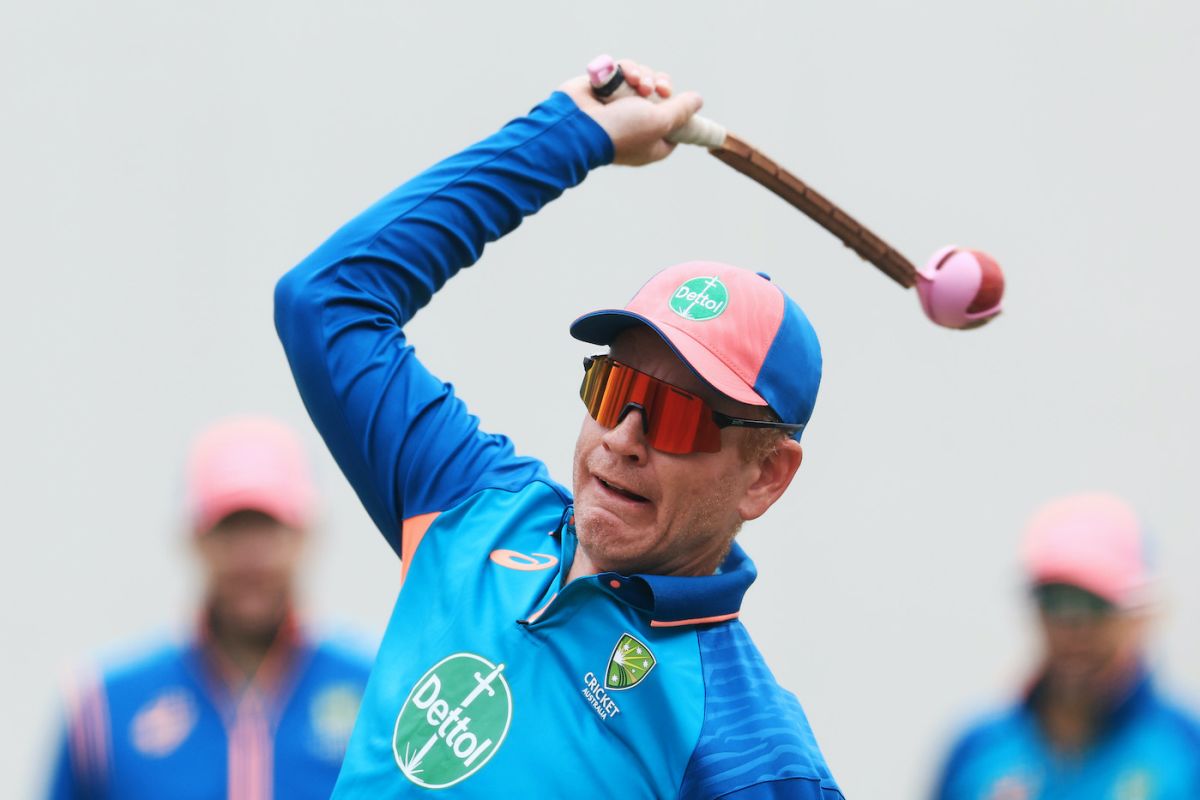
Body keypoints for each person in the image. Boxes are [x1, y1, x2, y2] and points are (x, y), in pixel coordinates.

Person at [274, 58, 843, 799]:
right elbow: (325, 300)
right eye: (615, 389)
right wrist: (575, 133)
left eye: (675, 415)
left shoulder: (753, 757)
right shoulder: (477, 504)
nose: (623, 438)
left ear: (766, 475)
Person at [46, 416, 373, 800]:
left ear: (305, 536)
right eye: (231, 529)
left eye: (268, 529)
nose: (251, 557)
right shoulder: (102, 708)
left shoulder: (377, 692)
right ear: (195, 539)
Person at [932, 493, 1200, 800]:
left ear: (1141, 616)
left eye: (1096, 605)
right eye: (1056, 601)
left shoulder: (1186, 752)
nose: (1075, 630)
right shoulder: (978, 752)